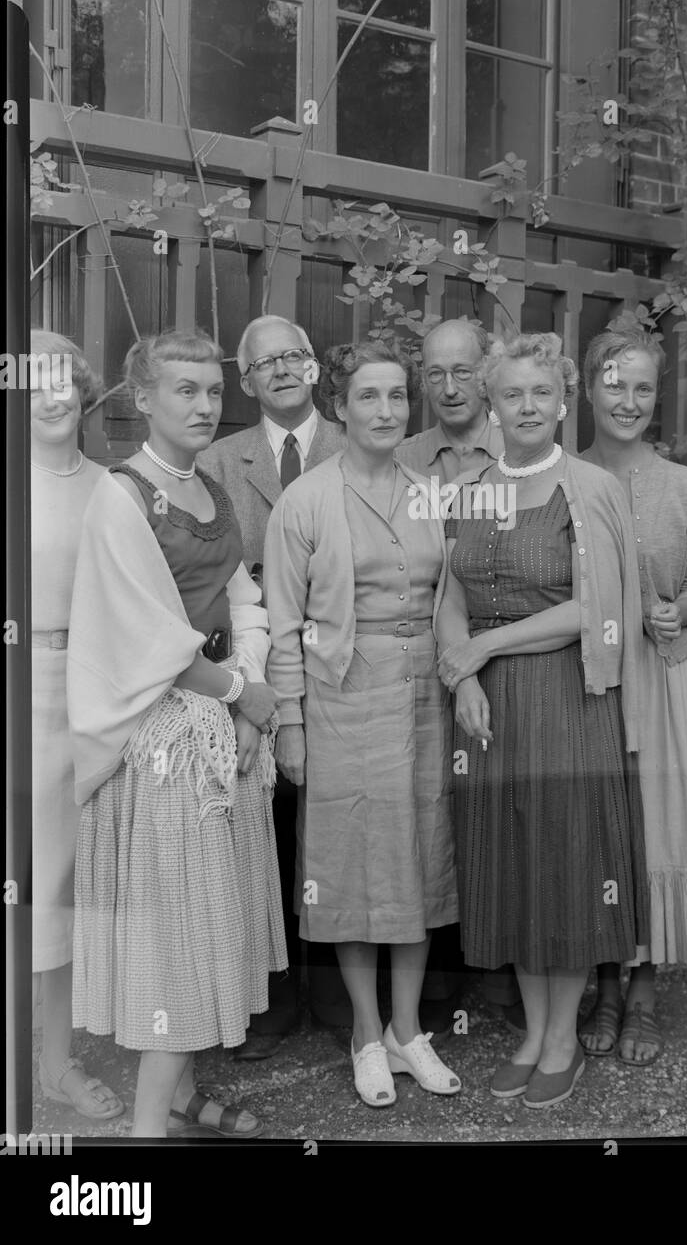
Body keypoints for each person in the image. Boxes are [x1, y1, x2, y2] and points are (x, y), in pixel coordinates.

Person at [67, 330, 287, 1137]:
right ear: (143, 400)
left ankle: (187, 1095)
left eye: (210, 389)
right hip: (162, 741)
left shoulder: (214, 492)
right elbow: (147, 640)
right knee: (175, 941)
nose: (203, 404)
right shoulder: (121, 497)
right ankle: (146, 1135)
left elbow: (242, 599)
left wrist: (252, 682)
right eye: (183, 390)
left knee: (206, 921)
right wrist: (240, 693)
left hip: (218, 725)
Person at [435, 331, 649, 1108]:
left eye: (541, 393)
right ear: (491, 404)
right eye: (512, 394)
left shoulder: (589, 488)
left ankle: (564, 1040)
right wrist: (462, 676)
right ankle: (532, 1031)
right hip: (490, 708)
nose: (527, 407)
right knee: (516, 868)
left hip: (566, 698)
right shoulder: (469, 487)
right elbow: (452, 595)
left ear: (564, 401)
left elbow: (596, 609)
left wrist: (485, 646)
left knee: (563, 868)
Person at [265, 340, 461, 1108]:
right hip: (341, 698)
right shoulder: (306, 502)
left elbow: (449, 598)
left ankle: (410, 1032)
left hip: (421, 700)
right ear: (340, 408)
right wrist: (289, 721)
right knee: (350, 864)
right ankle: (364, 1033)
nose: (385, 411)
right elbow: (284, 626)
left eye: (396, 397)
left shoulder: (426, 493)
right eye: (369, 397)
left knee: (416, 858)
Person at [578, 326, 687, 1065]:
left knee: (656, 827)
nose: (629, 401)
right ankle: (603, 983)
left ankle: (641, 990)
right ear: (588, 388)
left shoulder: (684, 485)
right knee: (604, 830)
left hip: (666, 677)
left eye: (643, 387)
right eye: (615, 384)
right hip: (588, 683)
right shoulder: (563, 476)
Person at [197, 314, 347, 1055]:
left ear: (316, 368)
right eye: (265, 363)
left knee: (341, 827)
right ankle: (272, 997)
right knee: (268, 834)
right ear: (246, 380)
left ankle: (339, 989)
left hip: (346, 671)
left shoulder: (358, 450)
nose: (282, 369)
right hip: (257, 673)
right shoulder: (220, 462)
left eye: (295, 355)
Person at [398, 318, 520, 1031]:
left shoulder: (520, 452)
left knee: (498, 806)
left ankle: (500, 972)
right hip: (421, 660)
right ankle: (443, 981)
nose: (448, 387)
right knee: (433, 815)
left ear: (486, 374)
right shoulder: (405, 454)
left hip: (500, 656)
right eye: (434, 374)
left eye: (462, 371)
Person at [30, 330, 123, 1122]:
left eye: (64, 381)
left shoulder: (110, 487)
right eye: (34, 383)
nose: (53, 397)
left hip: (85, 700)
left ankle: (55, 1065)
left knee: (59, 892)